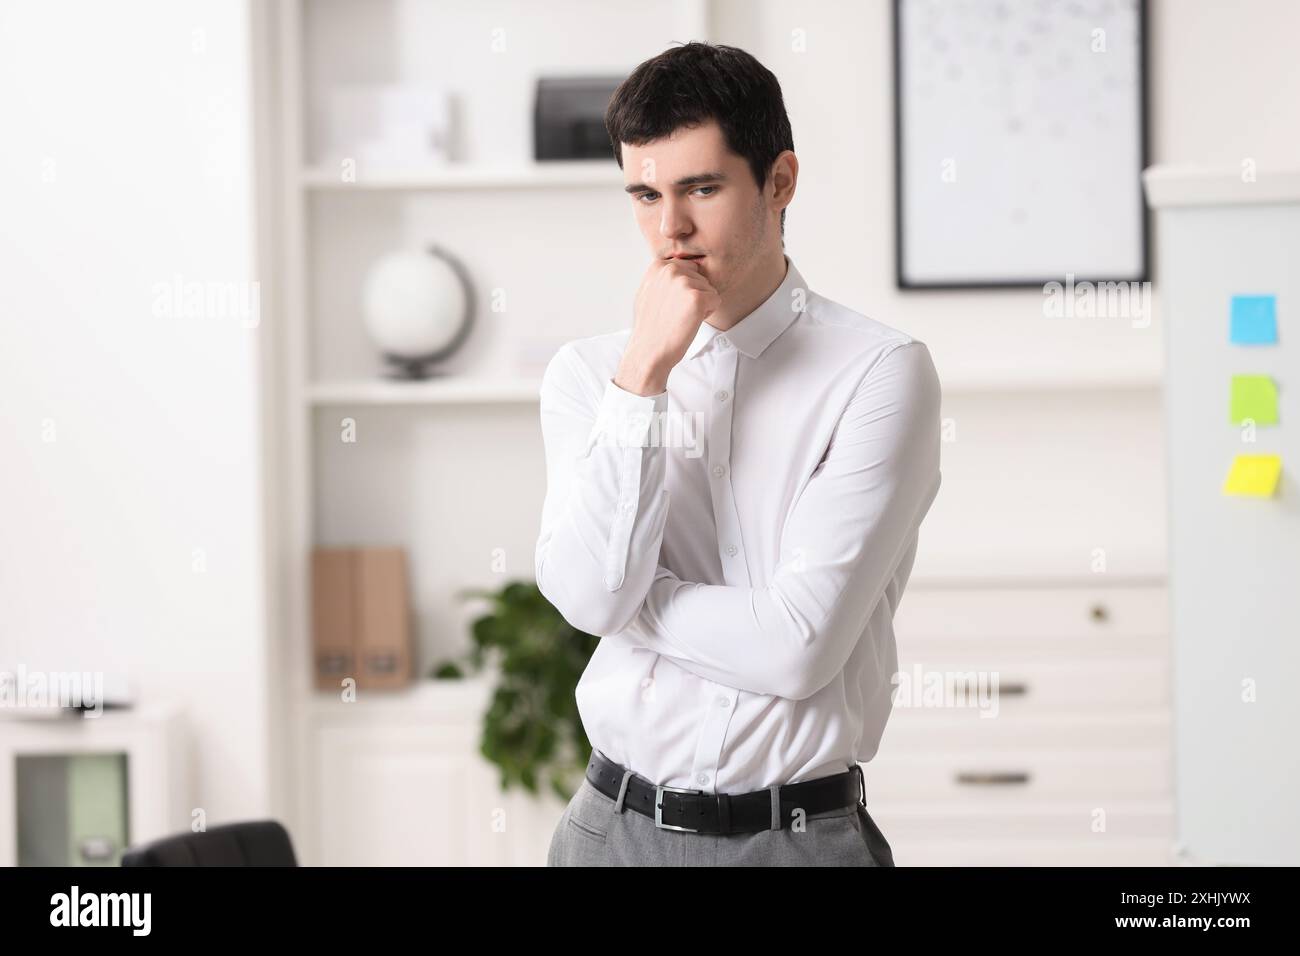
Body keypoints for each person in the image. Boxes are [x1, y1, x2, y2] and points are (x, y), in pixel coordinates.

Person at [537, 41, 942, 866]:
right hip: (605, 831)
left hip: (795, 839)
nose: (668, 231)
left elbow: (797, 647)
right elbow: (586, 597)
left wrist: (635, 602)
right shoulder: (591, 376)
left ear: (780, 181)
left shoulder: (879, 373)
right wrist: (644, 375)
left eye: (701, 189)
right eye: (645, 194)